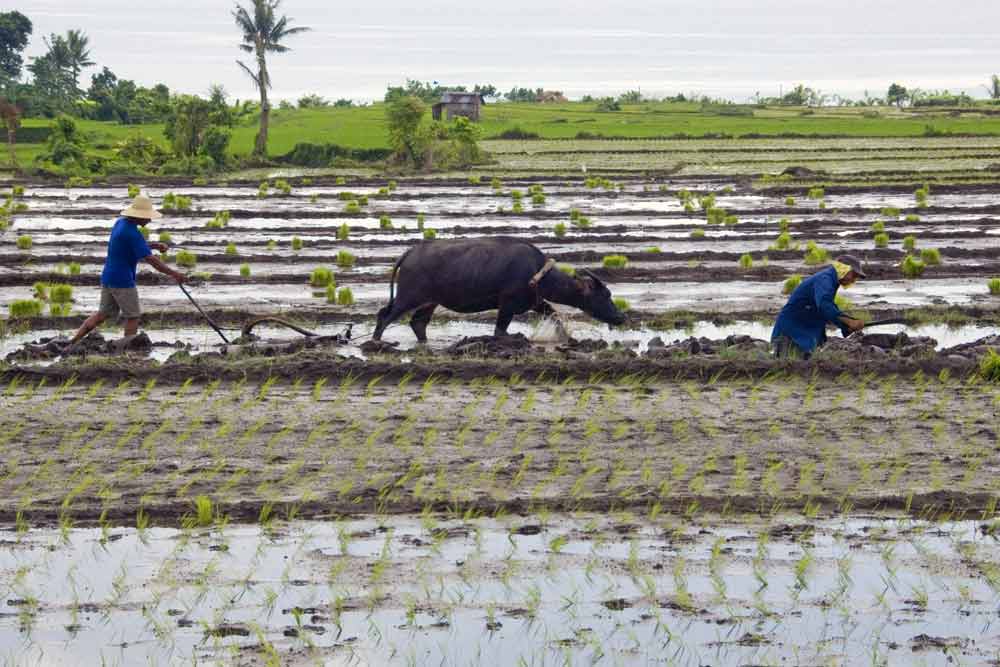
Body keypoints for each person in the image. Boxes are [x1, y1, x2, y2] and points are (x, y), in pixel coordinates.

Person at [68, 194, 186, 347]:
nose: (149, 220)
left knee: (102, 314)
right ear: (138, 216)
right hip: (122, 281)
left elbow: (132, 245)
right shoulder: (132, 233)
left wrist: (155, 245)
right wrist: (174, 273)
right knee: (133, 316)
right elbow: (151, 260)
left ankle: (72, 341)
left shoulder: (121, 223)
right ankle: (127, 349)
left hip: (109, 276)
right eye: (147, 217)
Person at [771, 254, 867, 359]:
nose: (853, 280)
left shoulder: (831, 281)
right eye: (853, 275)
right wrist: (849, 321)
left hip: (803, 335)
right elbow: (824, 305)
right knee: (790, 371)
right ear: (842, 269)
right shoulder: (824, 279)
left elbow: (826, 311)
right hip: (791, 336)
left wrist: (846, 326)